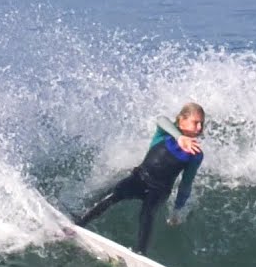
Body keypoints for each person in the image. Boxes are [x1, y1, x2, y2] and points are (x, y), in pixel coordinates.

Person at [74, 103, 205, 255]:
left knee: (147, 216)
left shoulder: (196, 154)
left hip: (159, 191)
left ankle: (141, 252)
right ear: (181, 120)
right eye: (195, 122)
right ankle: (79, 222)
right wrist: (180, 137)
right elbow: (161, 119)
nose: (199, 128)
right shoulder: (165, 134)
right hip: (140, 178)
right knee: (113, 194)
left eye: (202, 123)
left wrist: (177, 210)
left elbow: (186, 184)